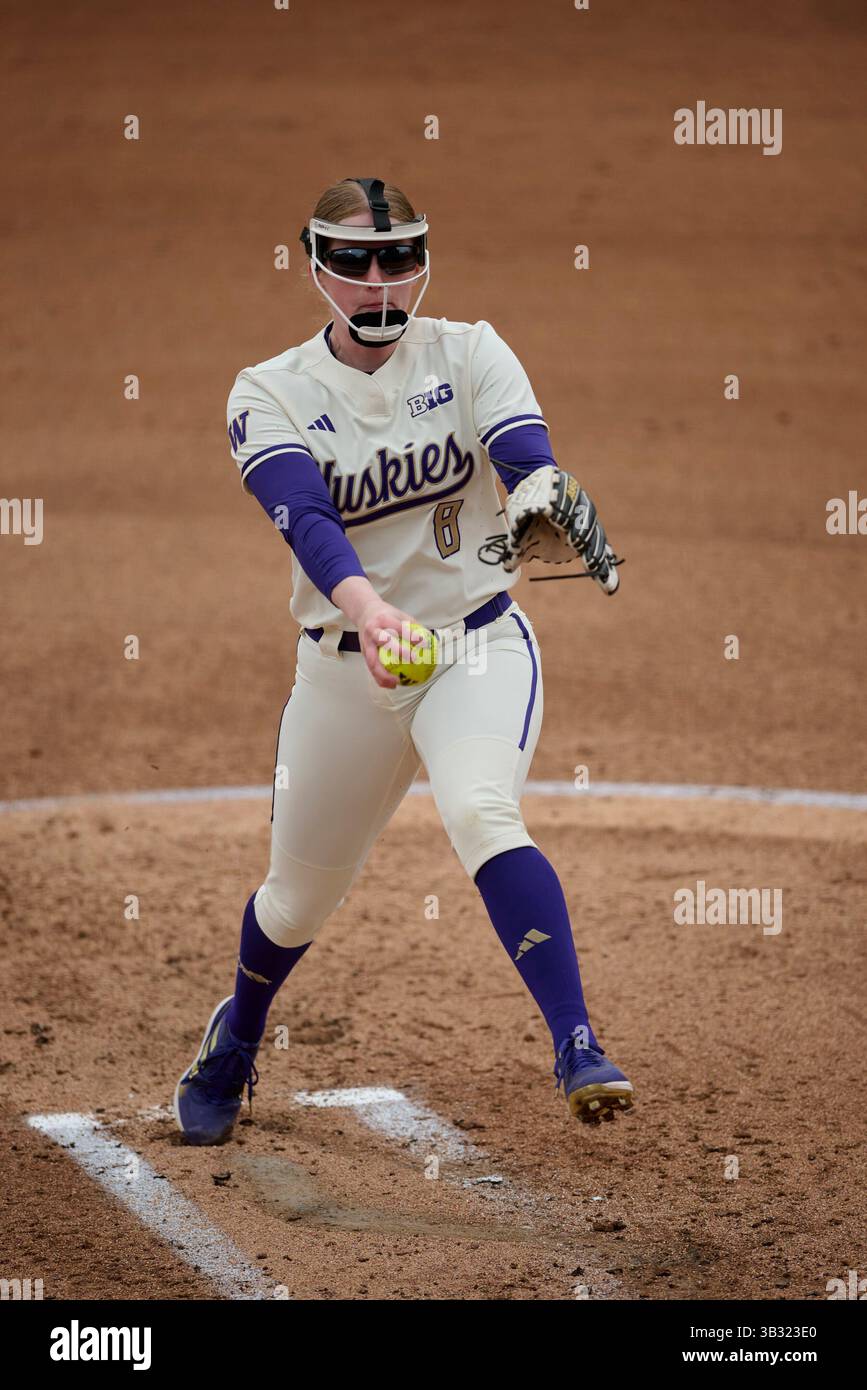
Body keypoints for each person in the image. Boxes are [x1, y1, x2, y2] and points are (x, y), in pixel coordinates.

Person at [173, 177, 633, 1145]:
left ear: (424, 261)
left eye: (400, 257)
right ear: (315, 264)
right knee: (295, 902)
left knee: (479, 807)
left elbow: (521, 451)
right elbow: (306, 517)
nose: (379, 281)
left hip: (473, 645)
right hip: (346, 666)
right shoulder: (269, 392)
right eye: (354, 262)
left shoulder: (471, 351)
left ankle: (578, 1041)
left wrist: (539, 485)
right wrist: (370, 611)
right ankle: (239, 1035)